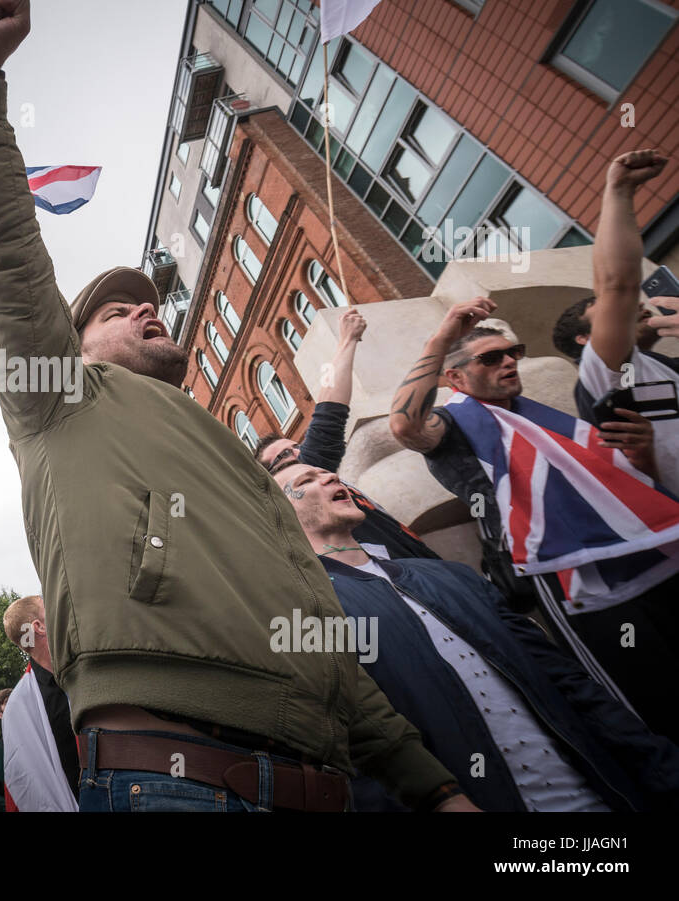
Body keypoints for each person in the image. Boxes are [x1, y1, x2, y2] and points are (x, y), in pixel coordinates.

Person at [0, 0, 470, 812]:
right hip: (173, 777)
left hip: (336, 784)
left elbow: (316, 623)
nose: (147, 307)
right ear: (69, 347)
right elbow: (8, 261)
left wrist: (430, 784)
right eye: (118, 311)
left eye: (150, 300)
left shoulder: (232, 447)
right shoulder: (57, 397)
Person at [273, 460, 679, 811]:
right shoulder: (305, 615)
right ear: (279, 515)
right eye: (306, 480)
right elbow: (345, 753)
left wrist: (661, 768)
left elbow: (568, 680)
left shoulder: (450, 576)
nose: (328, 476)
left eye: (327, 472)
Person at [389, 299, 679, 743]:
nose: (508, 361)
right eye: (490, 358)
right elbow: (404, 426)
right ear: (455, 376)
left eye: (513, 352)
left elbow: (622, 482)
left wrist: (641, 455)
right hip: (563, 575)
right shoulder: (451, 425)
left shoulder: (540, 419)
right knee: (646, 687)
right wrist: (444, 334)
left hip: (640, 551)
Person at [254, 308, 440, 561]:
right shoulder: (303, 490)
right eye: (286, 455)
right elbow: (329, 409)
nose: (300, 452)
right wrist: (347, 340)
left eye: (297, 445)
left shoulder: (334, 485)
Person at [551, 150, 679, 492]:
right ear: (585, 340)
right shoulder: (606, 375)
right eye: (602, 307)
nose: (630, 305)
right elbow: (616, 284)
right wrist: (619, 190)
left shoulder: (663, 365)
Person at [0, 594, 78, 811]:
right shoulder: (18, 708)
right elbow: (23, 782)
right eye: (50, 607)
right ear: (39, 627)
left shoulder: (88, 670)